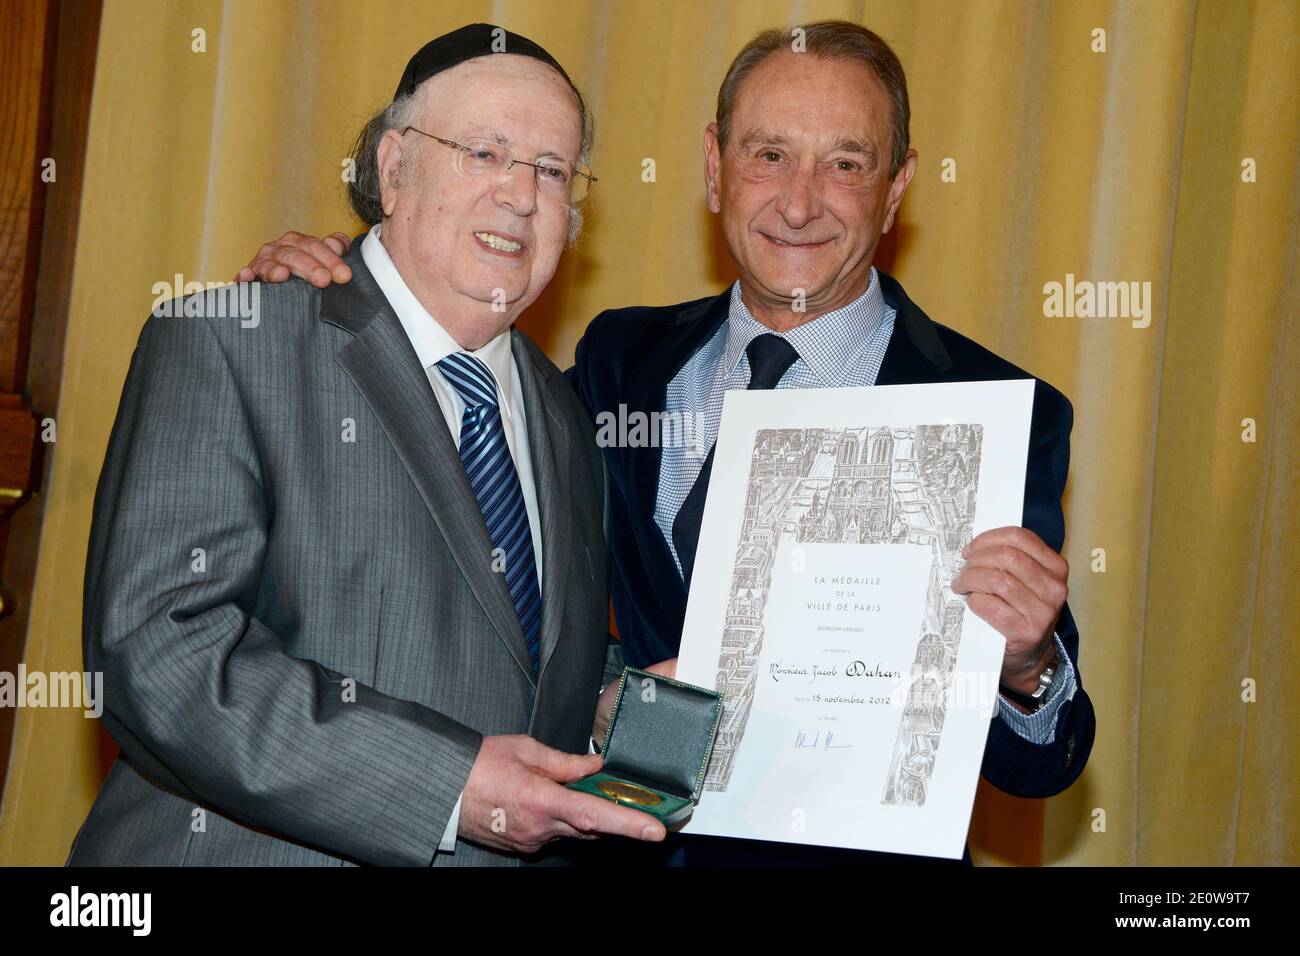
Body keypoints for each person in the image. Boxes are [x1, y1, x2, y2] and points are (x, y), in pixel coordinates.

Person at [240, 19, 1096, 866]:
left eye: (845, 163)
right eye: (768, 155)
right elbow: (482, 521)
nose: (799, 202)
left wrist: (1028, 670)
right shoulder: (618, 362)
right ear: (715, 168)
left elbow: (1038, 762)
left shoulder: (994, 410)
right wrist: (353, 283)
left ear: (898, 185)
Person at [67, 23, 669, 867]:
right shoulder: (231, 342)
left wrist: (611, 703)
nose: (521, 195)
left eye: (552, 170)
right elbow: (162, 658)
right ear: (392, 170)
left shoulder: (564, 414)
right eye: (486, 152)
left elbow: (509, 645)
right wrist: (448, 787)